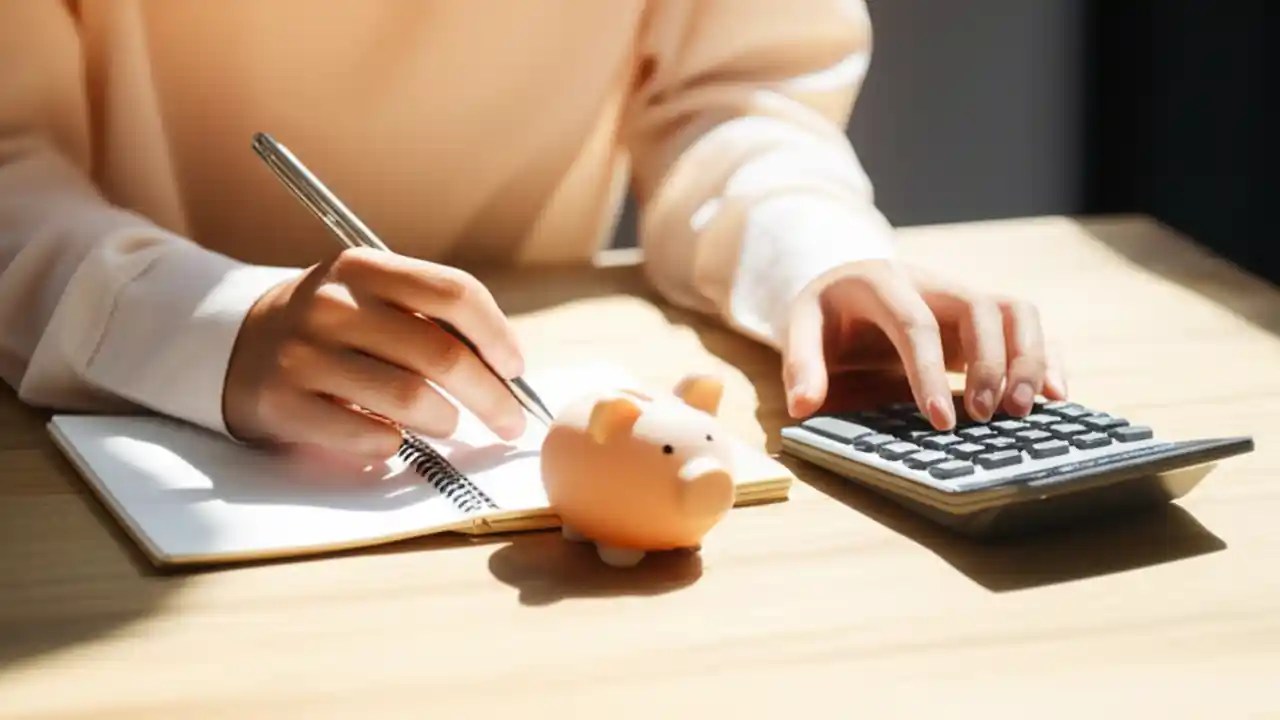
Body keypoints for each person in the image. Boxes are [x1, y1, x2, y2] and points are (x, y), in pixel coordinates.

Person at [0, 1, 1066, 460]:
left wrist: (816, 253)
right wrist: (214, 328)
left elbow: (729, 90)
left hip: (504, 440)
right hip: (85, 448)